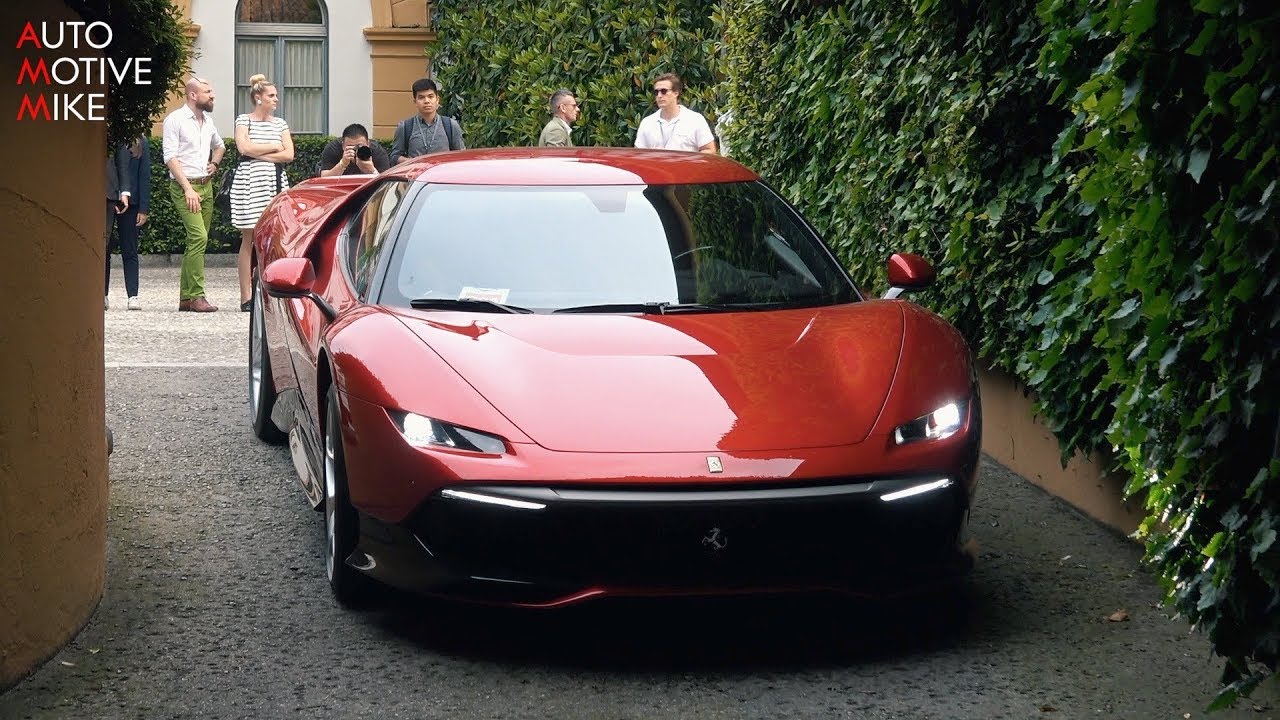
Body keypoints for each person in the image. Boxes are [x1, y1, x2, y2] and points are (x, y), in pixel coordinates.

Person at [230, 73, 294, 311]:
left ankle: (272, 293)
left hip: (273, 180)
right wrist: (274, 146)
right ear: (258, 98)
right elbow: (242, 147)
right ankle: (245, 296)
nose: (276, 99)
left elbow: (289, 154)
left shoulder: (280, 124)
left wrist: (259, 152)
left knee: (274, 236)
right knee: (249, 238)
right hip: (249, 181)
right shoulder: (243, 120)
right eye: (271, 95)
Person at [162, 76, 225, 312]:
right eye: (208, 92)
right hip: (184, 187)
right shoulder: (174, 120)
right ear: (192, 95)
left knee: (196, 242)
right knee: (199, 237)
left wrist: (215, 164)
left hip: (205, 185)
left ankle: (186, 298)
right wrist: (187, 188)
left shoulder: (208, 122)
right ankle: (197, 295)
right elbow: (170, 156)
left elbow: (220, 146)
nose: (212, 96)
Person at [105, 137, 150, 310]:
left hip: (131, 202)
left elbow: (144, 175)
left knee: (130, 249)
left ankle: (133, 295)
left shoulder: (141, 141)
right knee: (104, 249)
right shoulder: (107, 138)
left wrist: (144, 208)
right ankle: (103, 294)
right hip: (108, 198)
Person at [634, 73, 717, 154]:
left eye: (664, 91)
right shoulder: (647, 122)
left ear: (676, 93)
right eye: (656, 92)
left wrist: (687, 162)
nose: (659, 96)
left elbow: (710, 150)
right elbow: (639, 154)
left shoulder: (695, 119)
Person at [391, 78, 465, 164]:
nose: (426, 101)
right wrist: (411, 161)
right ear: (415, 102)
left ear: (437, 99)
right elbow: (394, 157)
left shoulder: (450, 125)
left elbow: (461, 156)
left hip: (443, 175)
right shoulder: (405, 127)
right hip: (415, 175)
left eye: (430, 97)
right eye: (421, 97)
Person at [319, 123, 390, 177]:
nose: (356, 151)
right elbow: (324, 177)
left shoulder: (378, 152)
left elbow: (386, 183)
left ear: (368, 144)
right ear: (343, 145)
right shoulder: (333, 149)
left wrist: (372, 171)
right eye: (350, 147)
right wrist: (342, 164)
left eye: (360, 146)